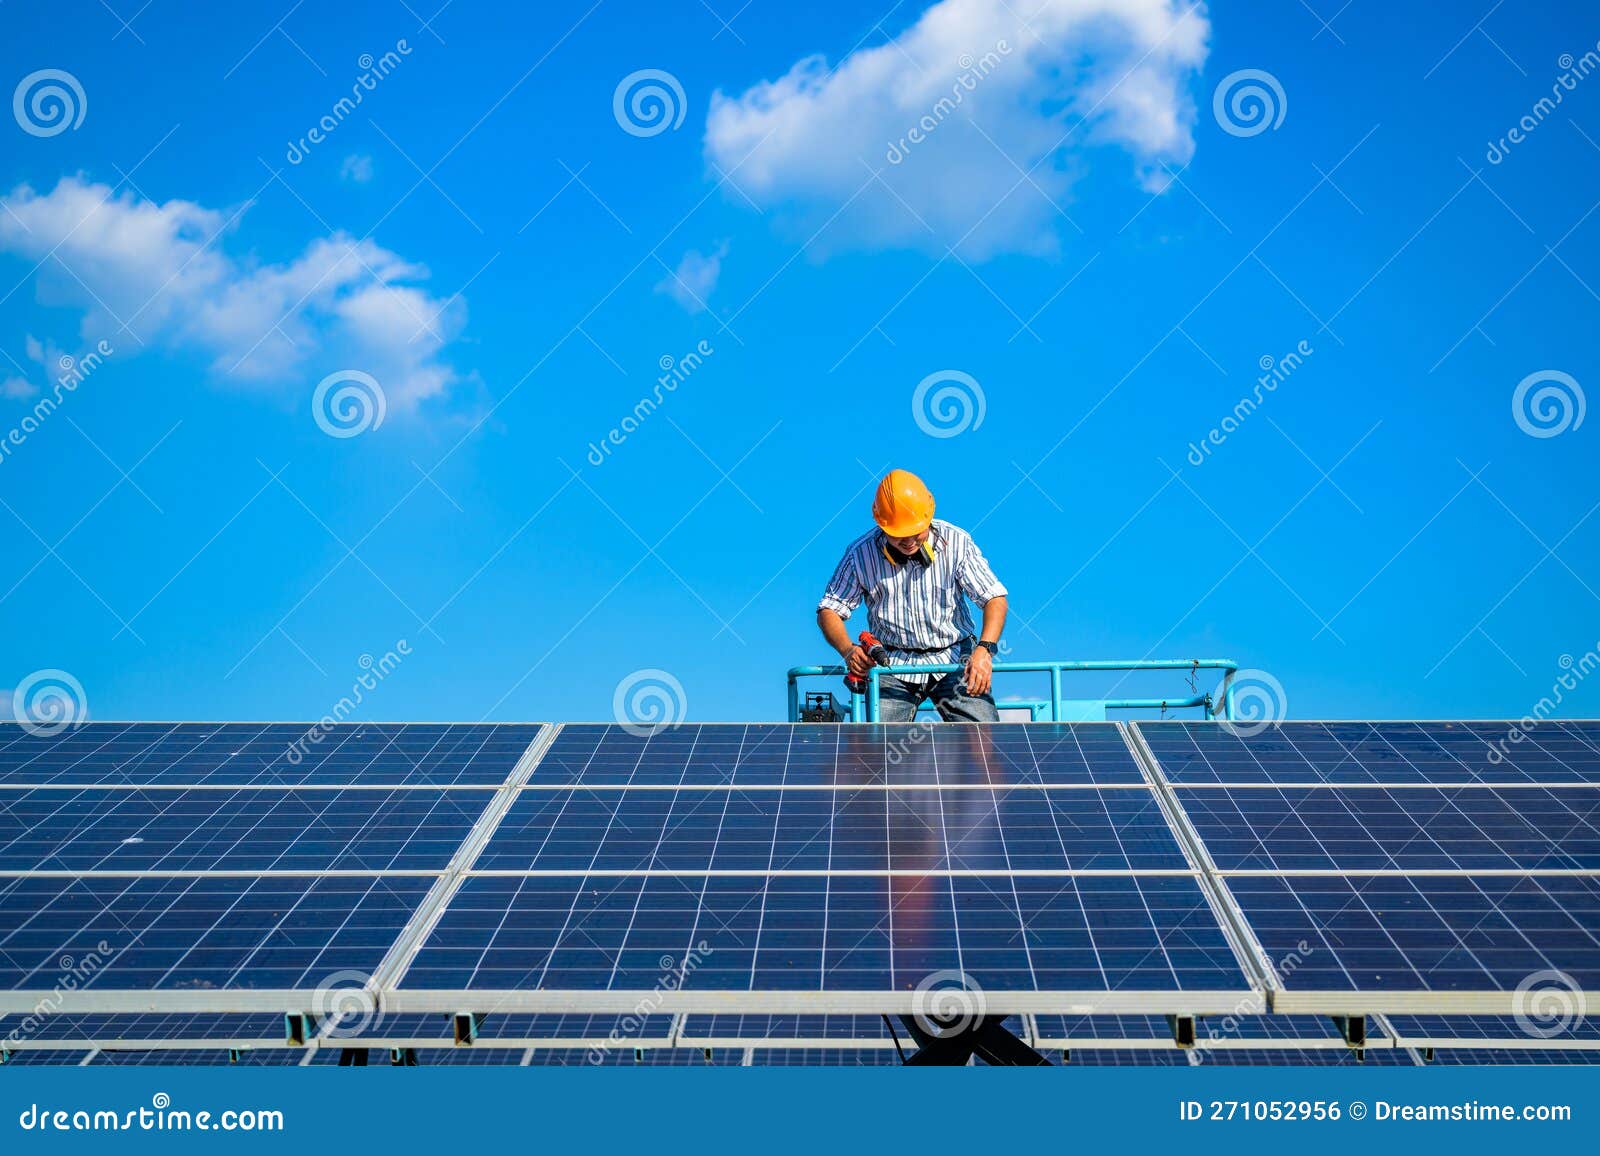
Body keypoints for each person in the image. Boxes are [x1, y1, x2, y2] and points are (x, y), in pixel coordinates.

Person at [816, 469, 1008, 722]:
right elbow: (829, 609)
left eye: (916, 532)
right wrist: (848, 650)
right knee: (880, 748)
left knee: (983, 745)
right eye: (898, 535)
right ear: (881, 525)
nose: (908, 542)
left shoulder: (957, 542)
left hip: (956, 658)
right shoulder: (859, 554)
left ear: (929, 517)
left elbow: (994, 598)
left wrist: (984, 651)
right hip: (891, 665)